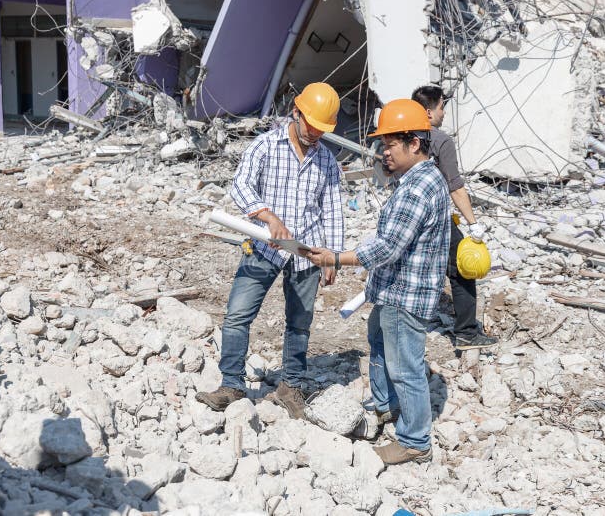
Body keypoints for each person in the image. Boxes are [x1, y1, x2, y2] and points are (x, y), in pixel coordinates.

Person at [305, 99, 449, 465]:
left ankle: (415, 441)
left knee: (406, 367)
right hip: (393, 290)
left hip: (406, 296)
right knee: (380, 346)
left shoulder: (418, 187)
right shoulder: (417, 179)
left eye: (390, 145)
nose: (384, 153)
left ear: (414, 143)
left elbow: (387, 248)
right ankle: (387, 407)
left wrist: (336, 257)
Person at [196, 82, 344, 419]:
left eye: (323, 129)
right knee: (237, 315)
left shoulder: (327, 161)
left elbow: (333, 209)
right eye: (312, 125)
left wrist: (332, 255)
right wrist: (268, 217)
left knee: (299, 322)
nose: (316, 134)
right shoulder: (266, 145)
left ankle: (290, 386)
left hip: (306, 250)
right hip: (264, 246)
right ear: (296, 111)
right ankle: (231, 384)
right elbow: (241, 185)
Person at [411, 85, 497, 349]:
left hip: (405, 214)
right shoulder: (440, 140)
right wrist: (474, 224)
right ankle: (467, 332)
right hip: (435, 218)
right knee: (461, 269)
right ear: (428, 112)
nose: (444, 113)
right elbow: (455, 187)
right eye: (441, 107)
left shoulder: (399, 136)